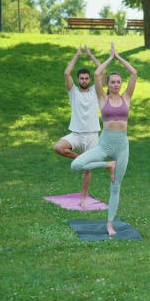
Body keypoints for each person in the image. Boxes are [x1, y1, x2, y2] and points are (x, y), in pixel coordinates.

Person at [71, 43, 138, 236]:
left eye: (118, 82)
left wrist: (119, 57)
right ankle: (108, 165)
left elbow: (134, 74)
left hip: (122, 146)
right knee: (76, 165)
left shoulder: (127, 97)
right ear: (108, 84)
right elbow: (98, 74)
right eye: (113, 82)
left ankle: (110, 224)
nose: (116, 84)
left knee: (116, 187)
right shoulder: (102, 97)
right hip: (104, 145)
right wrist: (109, 58)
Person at [53, 45, 101, 208]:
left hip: (92, 135)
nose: (84, 81)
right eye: (81, 78)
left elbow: (102, 71)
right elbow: (66, 73)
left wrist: (91, 55)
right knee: (58, 147)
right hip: (76, 134)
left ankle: (83, 198)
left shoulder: (96, 91)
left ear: (90, 80)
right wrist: (77, 54)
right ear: (78, 79)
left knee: (87, 170)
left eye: (87, 78)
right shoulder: (72, 91)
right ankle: (79, 159)